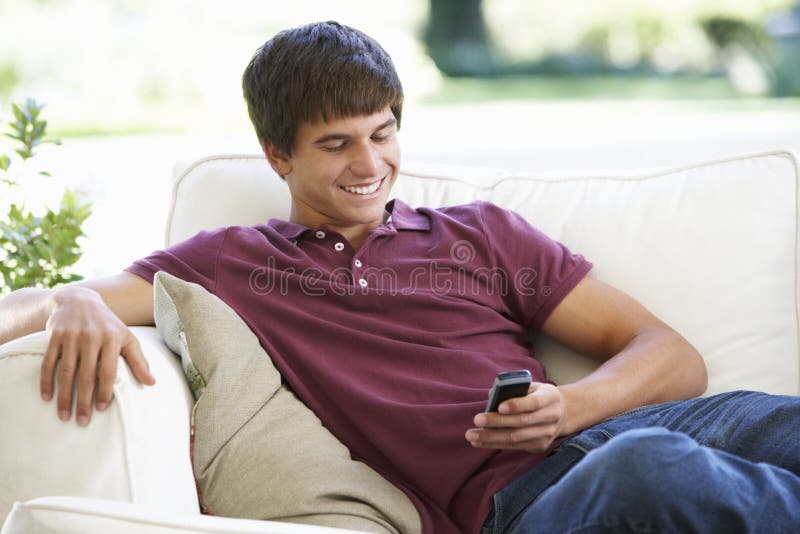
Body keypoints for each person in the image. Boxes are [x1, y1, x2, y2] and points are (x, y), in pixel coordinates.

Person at [0, 20, 798, 534]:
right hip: (519, 507)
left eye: (383, 134)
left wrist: (570, 407)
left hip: (599, 432)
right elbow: (22, 305)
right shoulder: (236, 263)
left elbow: (671, 354)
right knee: (650, 470)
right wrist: (75, 297)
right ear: (278, 156)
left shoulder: (480, 233)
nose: (371, 164)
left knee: (771, 428)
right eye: (337, 144)